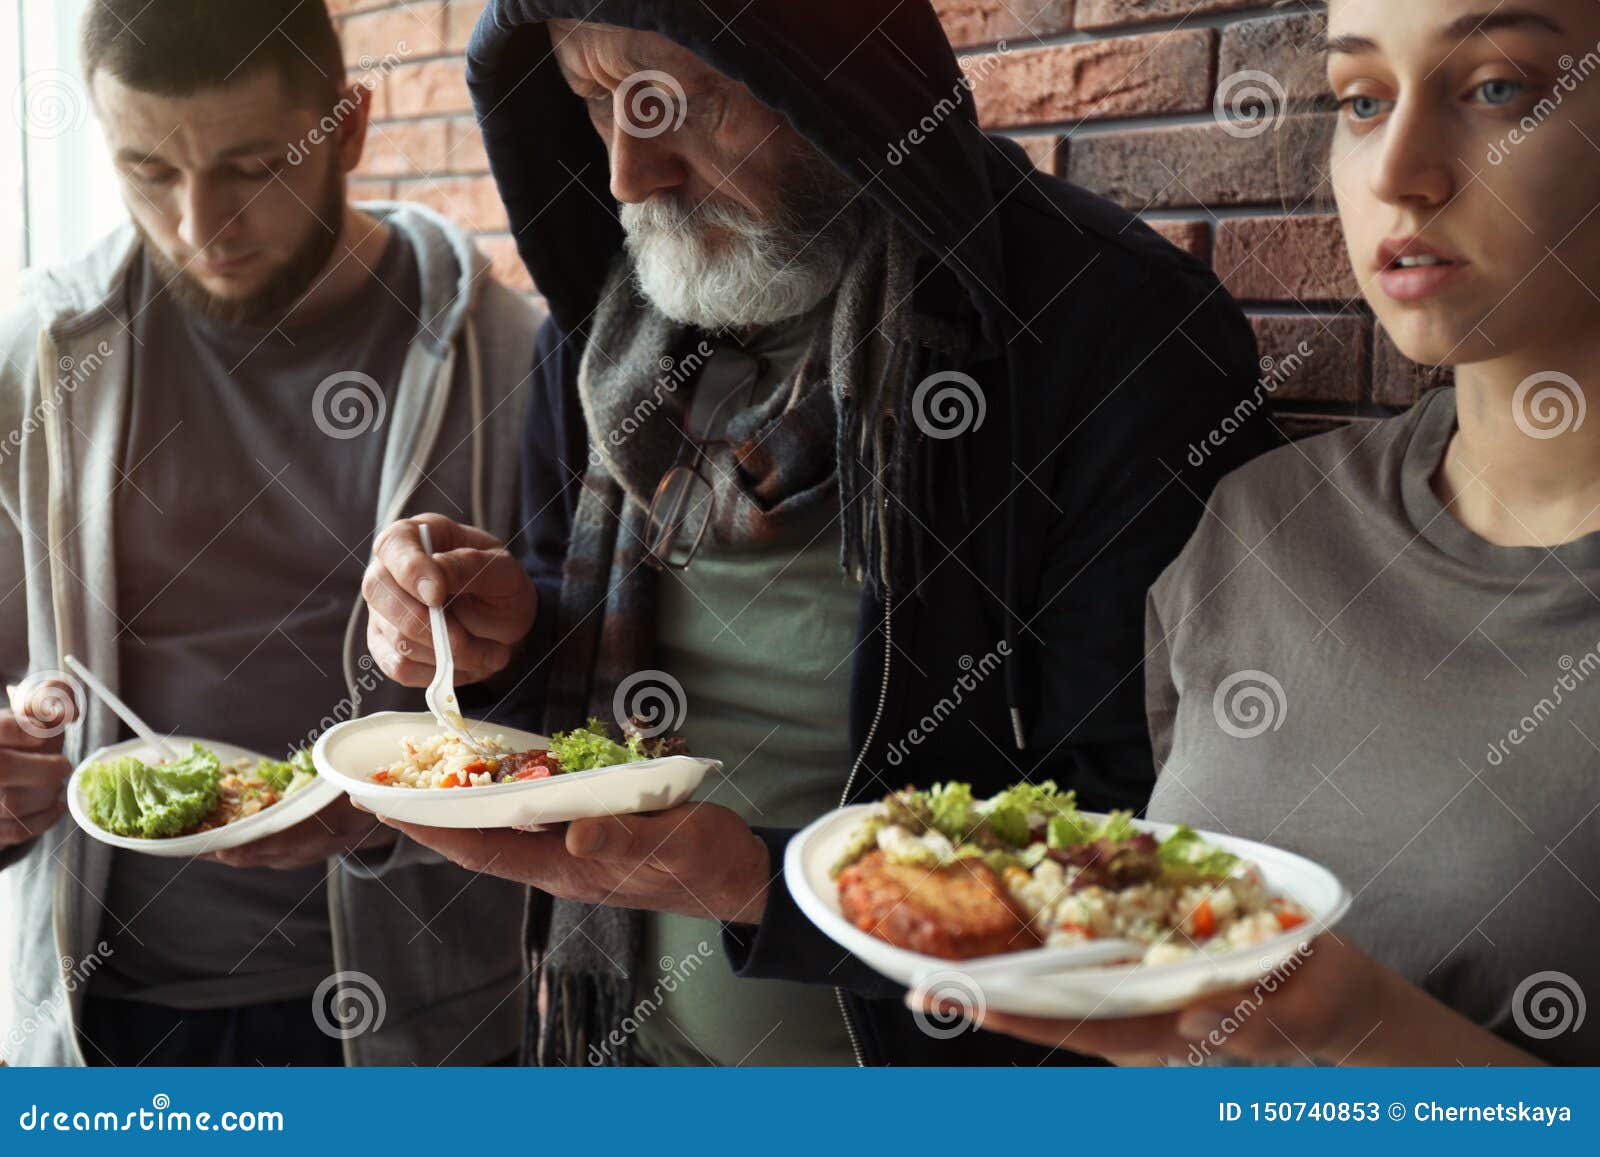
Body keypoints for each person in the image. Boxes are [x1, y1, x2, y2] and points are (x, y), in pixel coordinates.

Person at [359, 0, 1275, 1066]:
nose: (625, 173)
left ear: (829, 74)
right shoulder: (604, 334)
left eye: (669, 100)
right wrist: (492, 640)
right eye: (595, 103)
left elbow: (1147, 833)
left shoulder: (1109, 334)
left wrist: (762, 884)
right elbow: (572, 697)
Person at [957, 0, 1600, 1066]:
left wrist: (1352, 1024)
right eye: (1360, 100)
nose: (1398, 172)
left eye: (1495, 87)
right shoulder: (1260, 522)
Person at [0, 0, 538, 1067]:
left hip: (417, 1034)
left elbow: (585, 729)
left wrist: (388, 807)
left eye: (249, 168)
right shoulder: (35, 360)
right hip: (100, 1027)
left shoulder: (513, 359)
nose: (200, 223)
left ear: (345, 129)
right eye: (148, 170)